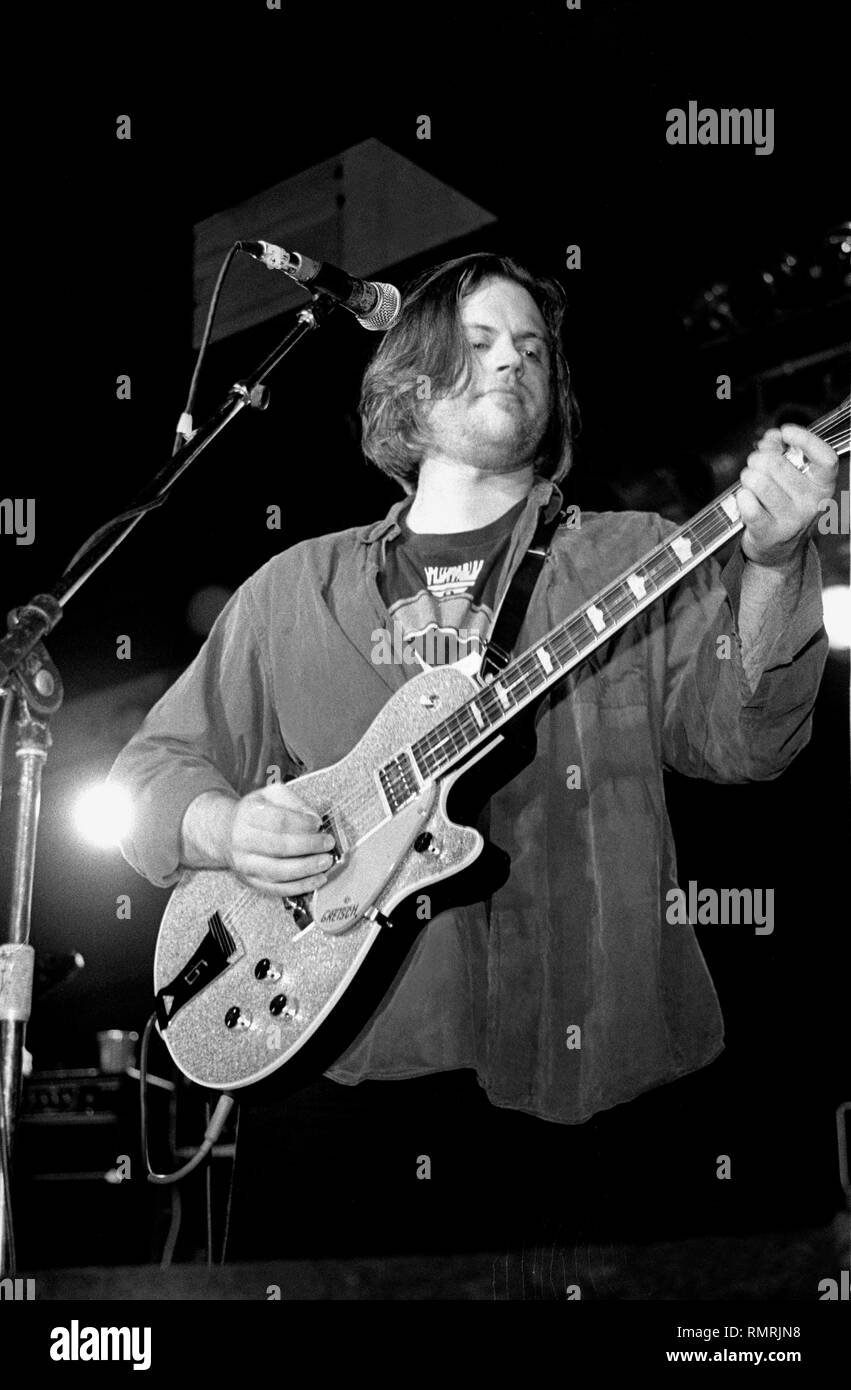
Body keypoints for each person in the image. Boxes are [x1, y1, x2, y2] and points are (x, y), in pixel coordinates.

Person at [107, 252, 836, 1251]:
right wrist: (226, 825)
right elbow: (147, 776)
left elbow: (746, 742)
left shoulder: (626, 555)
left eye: (533, 348)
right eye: (481, 342)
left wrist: (772, 559)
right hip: (339, 1077)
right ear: (407, 378)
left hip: (589, 1083)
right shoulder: (291, 591)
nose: (514, 361)